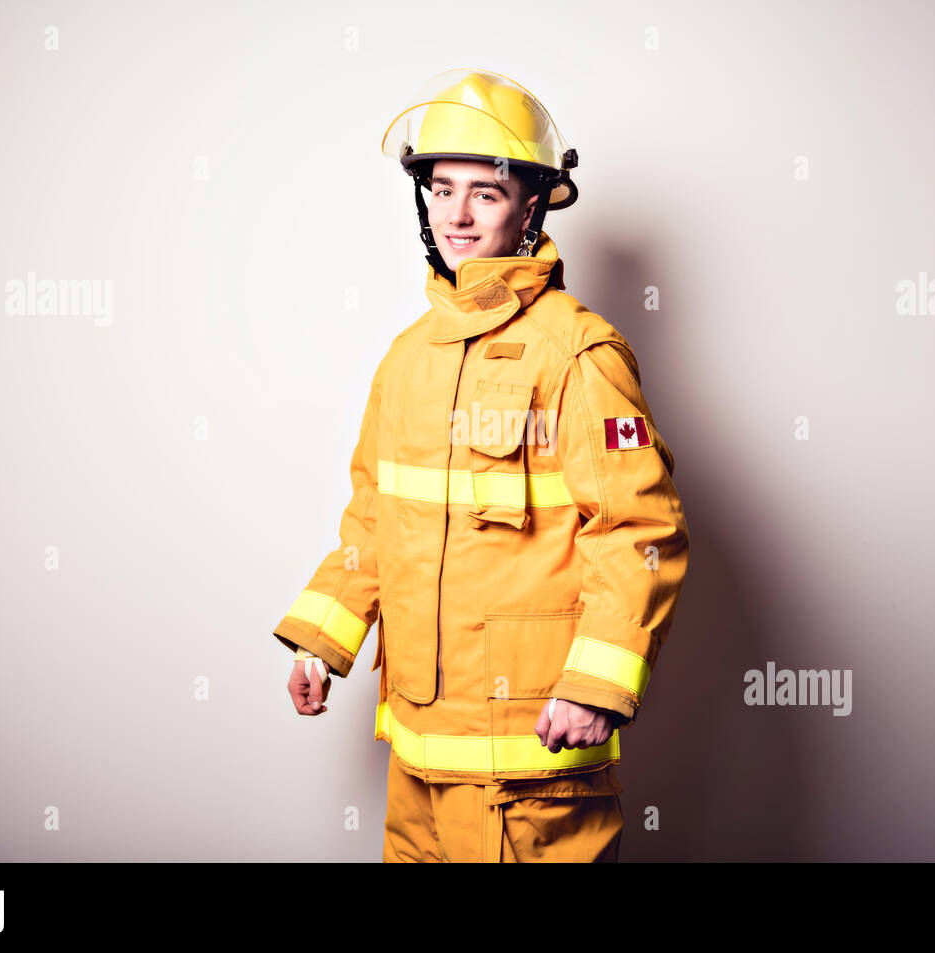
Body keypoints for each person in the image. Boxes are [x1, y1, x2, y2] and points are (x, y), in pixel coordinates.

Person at [272, 68, 689, 863]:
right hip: (420, 758)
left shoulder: (577, 351)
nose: (457, 213)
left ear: (531, 204)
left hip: (529, 763)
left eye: (485, 193)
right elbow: (374, 517)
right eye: (440, 188)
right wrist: (323, 641)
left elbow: (642, 531)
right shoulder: (408, 358)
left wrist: (598, 684)